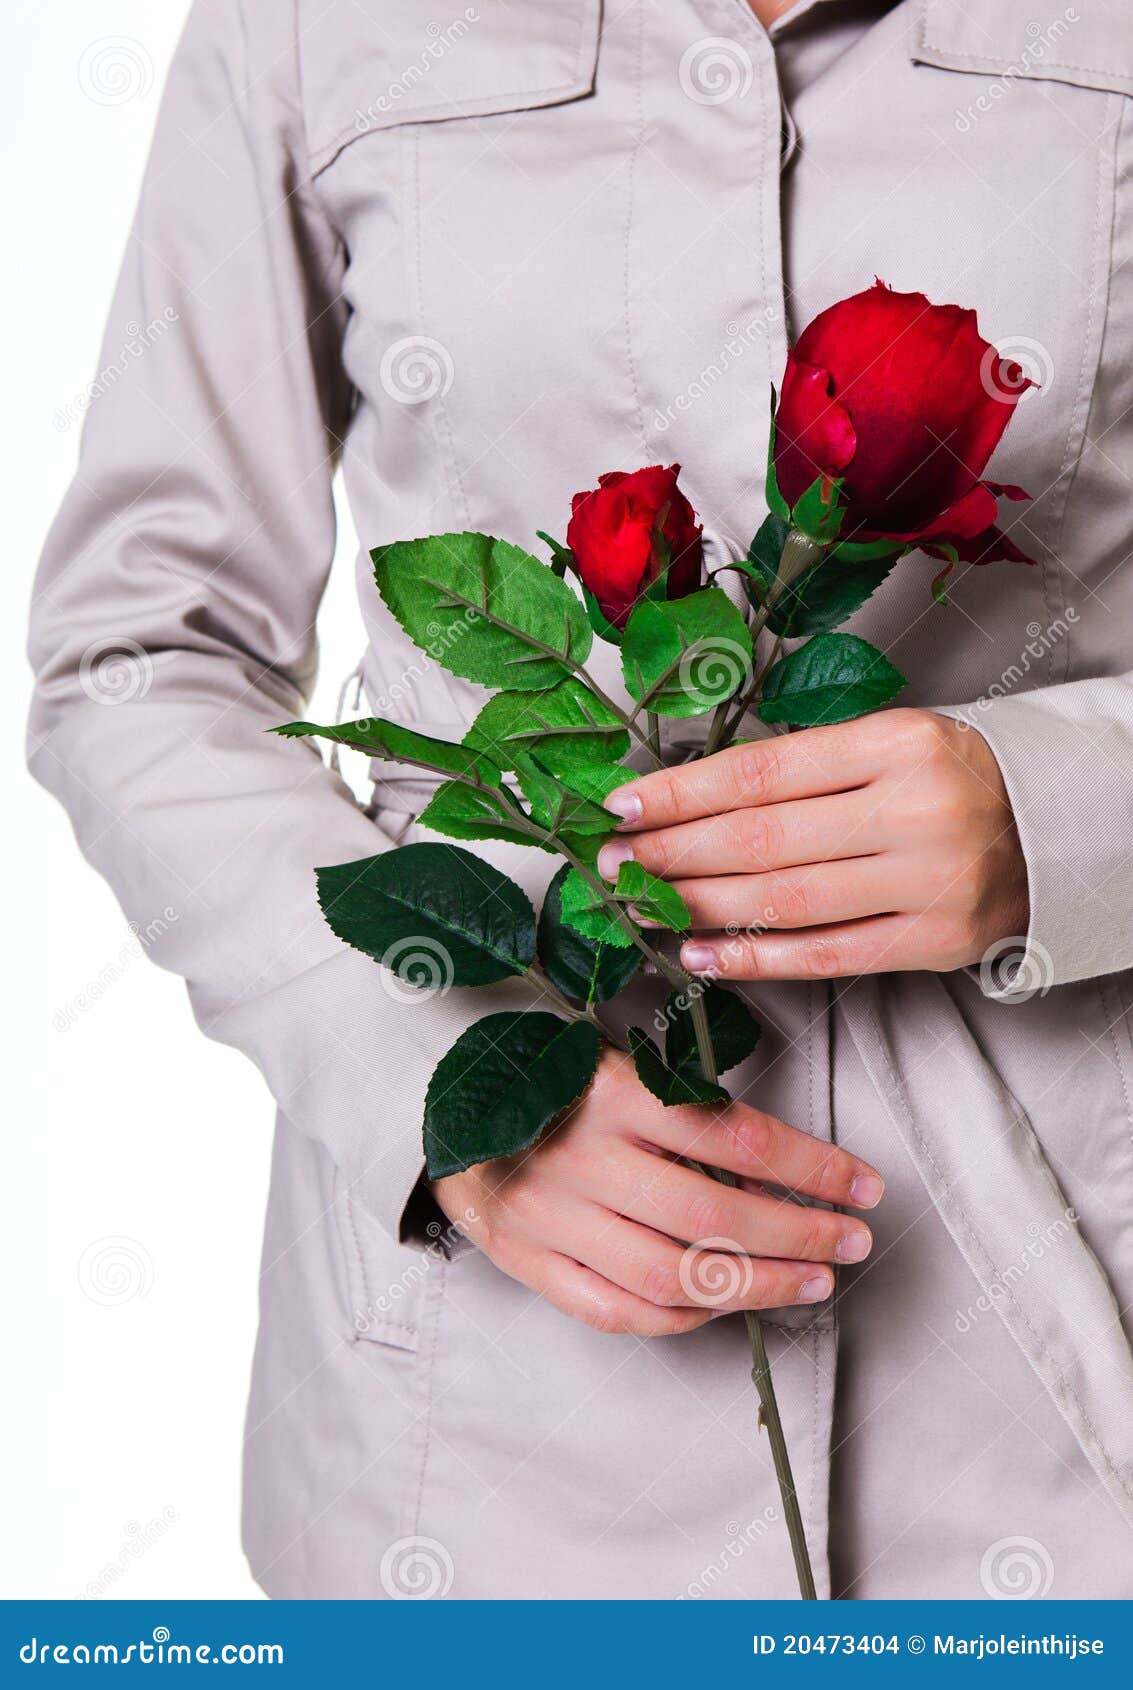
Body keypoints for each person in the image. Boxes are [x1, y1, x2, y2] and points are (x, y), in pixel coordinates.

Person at [28, 0, 1133, 1599]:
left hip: (1055, 1412)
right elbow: (140, 651)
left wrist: (1059, 807)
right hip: (471, 1454)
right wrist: (435, 1077)